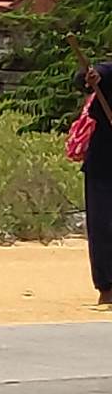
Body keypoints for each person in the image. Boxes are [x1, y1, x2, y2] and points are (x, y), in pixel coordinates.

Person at [80, 58, 112, 305]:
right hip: (104, 163)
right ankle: (107, 288)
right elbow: (94, 74)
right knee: (102, 225)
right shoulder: (109, 71)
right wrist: (92, 78)